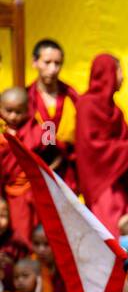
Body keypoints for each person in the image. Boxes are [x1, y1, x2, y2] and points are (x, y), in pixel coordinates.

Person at [75, 54, 128, 230]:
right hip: (102, 183)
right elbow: (93, 147)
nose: (123, 77)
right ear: (108, 73)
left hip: (118, 178)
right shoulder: (87, 104)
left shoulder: (115, 109)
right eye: (119, 71)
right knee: (110, 231)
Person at [27, 39, 78, 191]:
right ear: (34, 62)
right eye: (47, 62)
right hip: (34, 172)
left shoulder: (72, 97)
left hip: (67, 172)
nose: (53, 69)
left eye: (58, 63)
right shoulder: (25, 98)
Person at [0, 88, 40, 245]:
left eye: (19, 112)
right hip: (7, 192)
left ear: (27, 110)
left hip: (33, 189)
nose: (13, 116)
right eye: (8, 111)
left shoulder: (37, 126)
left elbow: (54, 148)